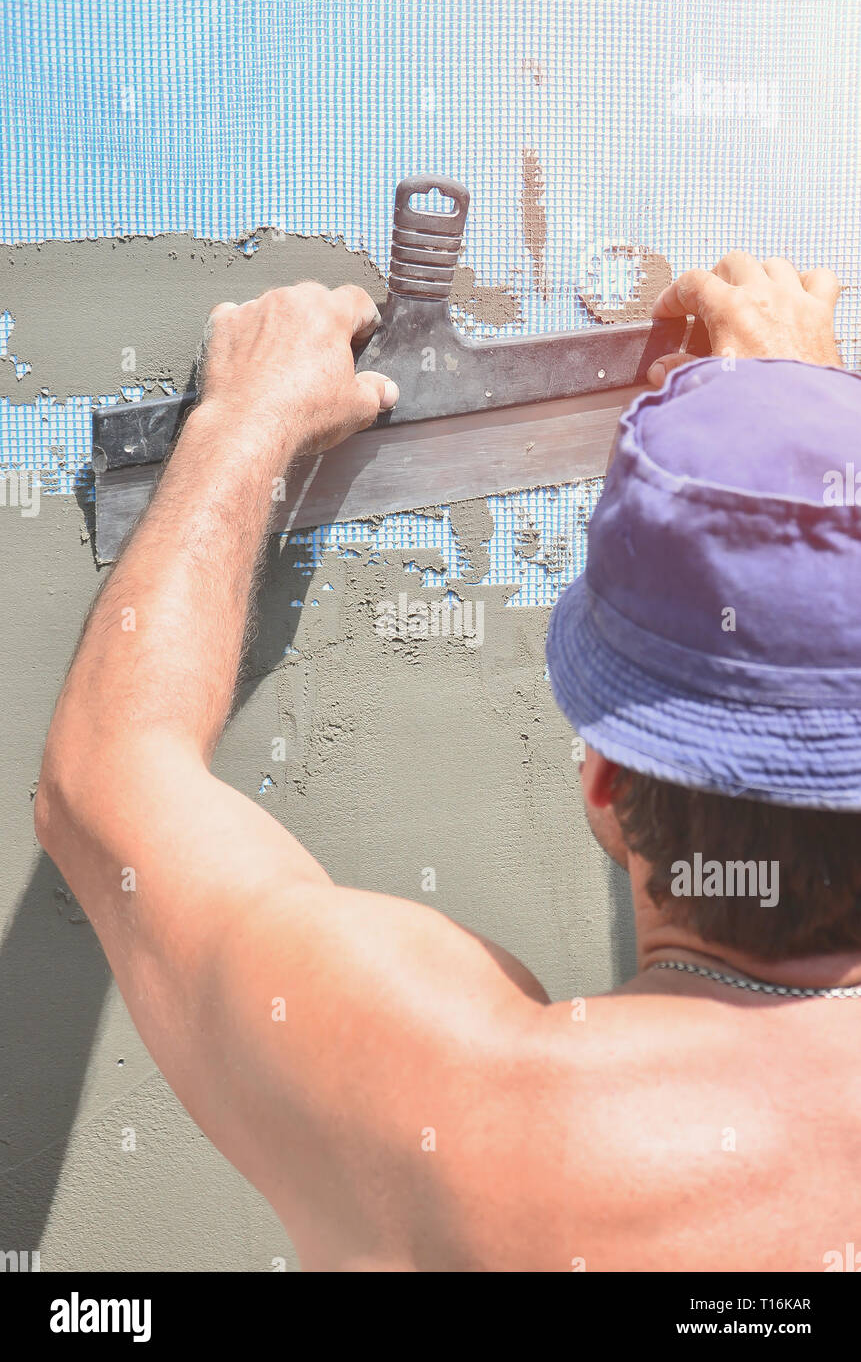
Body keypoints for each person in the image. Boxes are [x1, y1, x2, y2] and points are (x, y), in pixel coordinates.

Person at [36, 252, 858, 1272]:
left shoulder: (467, 1114)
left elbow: (105, 779)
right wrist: (812, 464)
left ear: (601, 786)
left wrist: (243, 425)